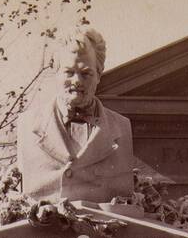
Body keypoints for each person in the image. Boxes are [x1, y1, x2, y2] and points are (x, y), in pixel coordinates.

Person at [17, 27, 134, 204]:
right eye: (69, 72)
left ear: (99, 75)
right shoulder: (28, 125)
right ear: (55, 73)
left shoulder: (121, 127)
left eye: (86, 73)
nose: (77, 81)